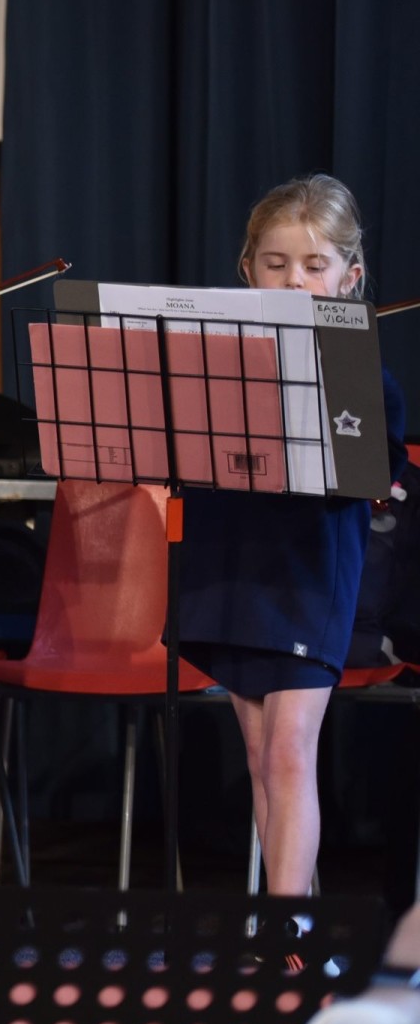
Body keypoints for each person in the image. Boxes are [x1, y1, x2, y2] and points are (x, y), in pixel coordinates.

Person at [173, 175, 408, 908]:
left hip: (308, 576)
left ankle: (287, 933)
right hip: (231, 565)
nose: (295, 280)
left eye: (314, 266)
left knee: (286, 752)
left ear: (350, 277)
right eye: (276, 265)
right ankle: (288, 929)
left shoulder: (364, 374)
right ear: (248, 271)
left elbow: (377, 474)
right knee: (257, 755)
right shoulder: (211, 362)